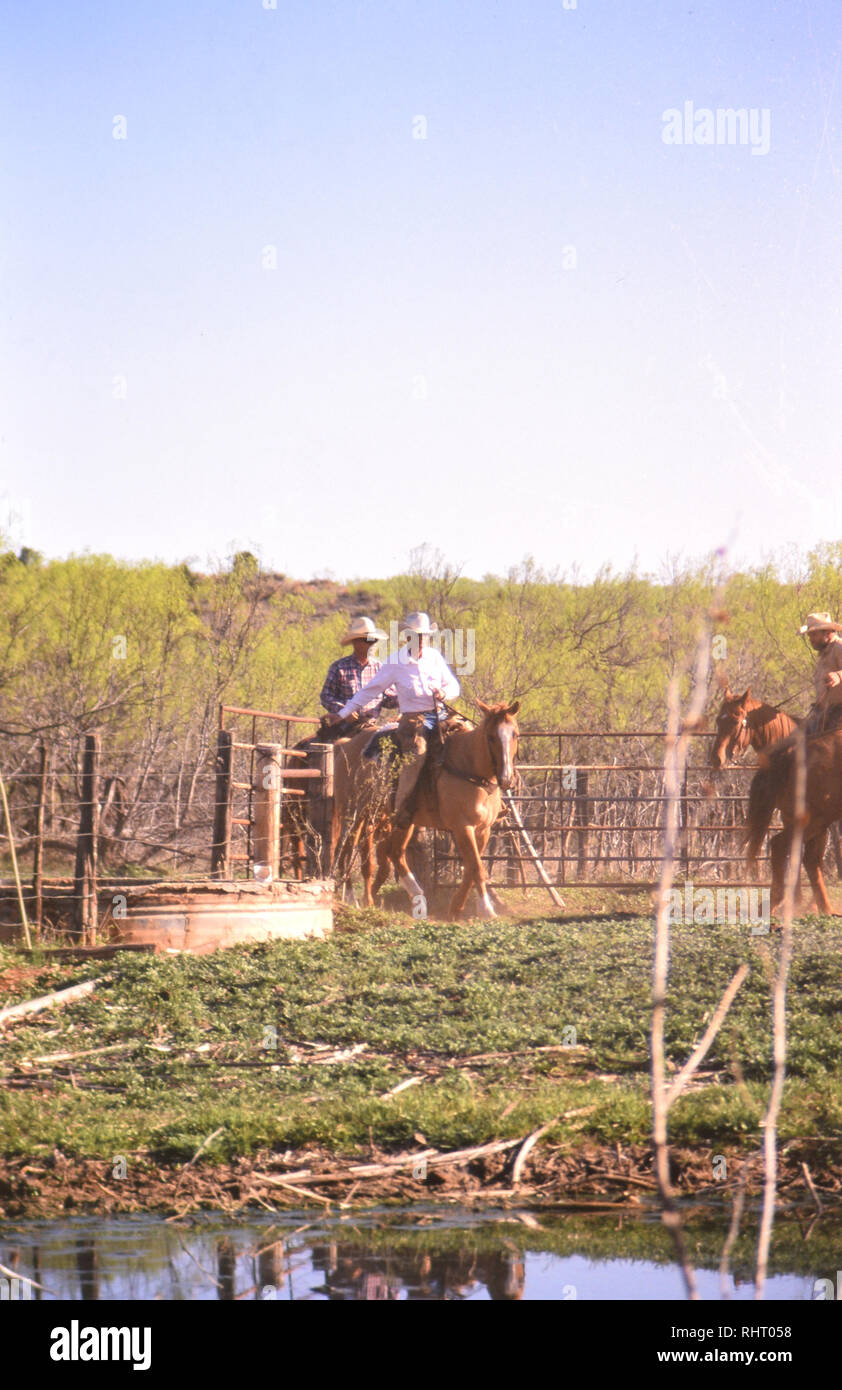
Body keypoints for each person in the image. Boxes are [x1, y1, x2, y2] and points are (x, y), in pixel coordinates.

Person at [327, 612, 460, 827]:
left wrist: (444, 693)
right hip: (413, 720)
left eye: (424, 635)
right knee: (416, 753)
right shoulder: (395, 662)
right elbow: (370, 691)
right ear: (407, 637)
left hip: (440, 715)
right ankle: (403, 806)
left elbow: (454, 686)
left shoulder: (435, 657)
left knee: (468, 735)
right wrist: (343, 714)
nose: (421, 639)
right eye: (416, 635)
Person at [319, 616, 398, 722]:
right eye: (367, 640)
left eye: (374, 640)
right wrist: (344, 711)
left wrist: (406, 698)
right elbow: (326, 696)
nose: (372, 644)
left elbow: (389, 699)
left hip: (371, 725)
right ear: (356, 642)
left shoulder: (381, 669)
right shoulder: (339, 667)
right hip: (344, 725)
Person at [799, 611, 842, 735]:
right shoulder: (824, 653)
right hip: (824, 714)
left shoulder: (839, 648)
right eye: (809, 635)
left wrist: (838, 676)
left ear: (828, 632)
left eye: (814, 635)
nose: (810, 639)